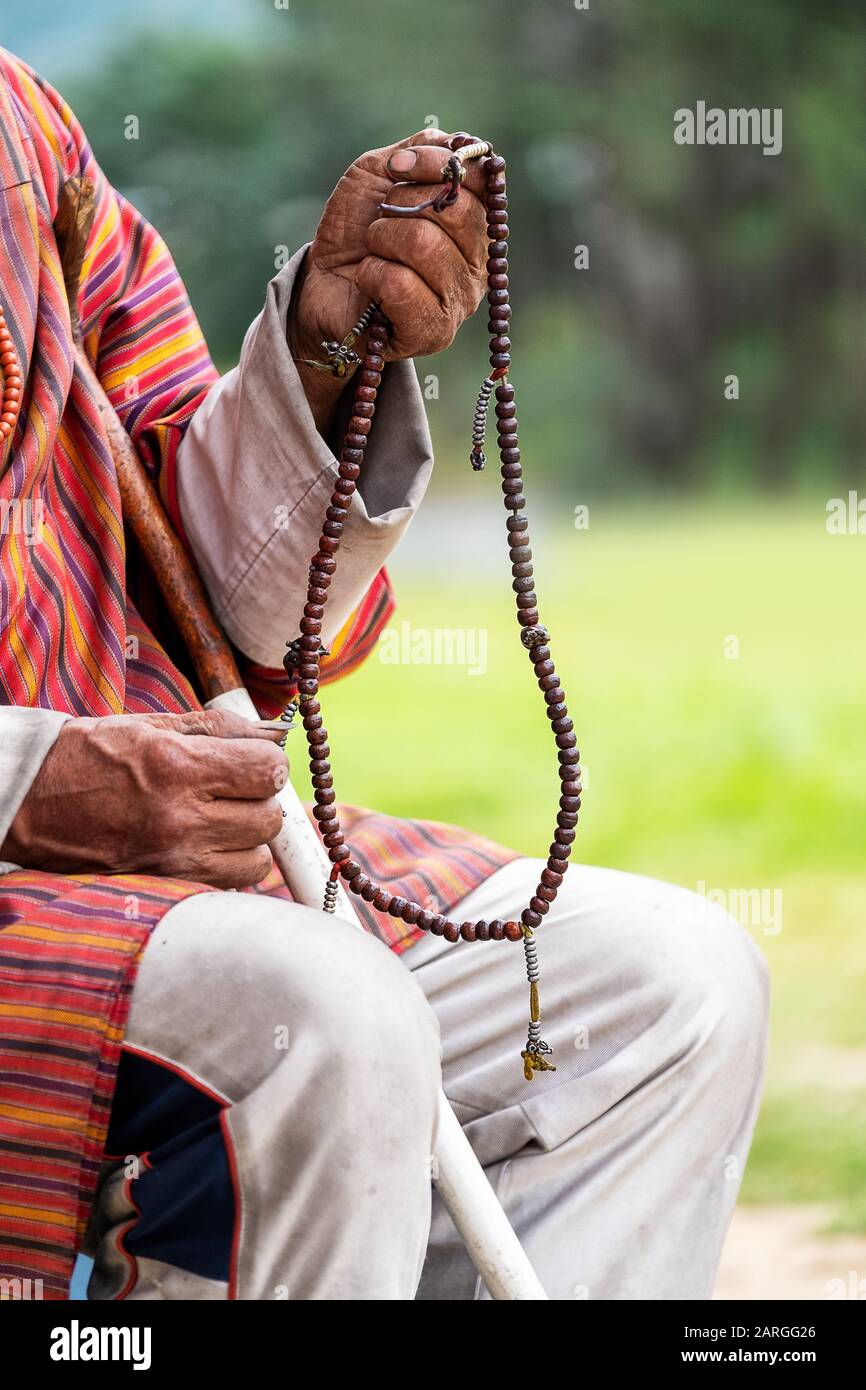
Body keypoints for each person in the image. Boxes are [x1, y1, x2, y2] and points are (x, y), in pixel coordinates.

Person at [0, 48, 768, 1301]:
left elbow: (207, 592)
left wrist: (320, 346)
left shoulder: (19, 124)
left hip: (157, 845)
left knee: (672, 984)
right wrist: (30, 779)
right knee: (318, 1019)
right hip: (45, 867)